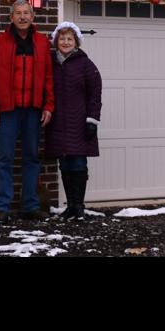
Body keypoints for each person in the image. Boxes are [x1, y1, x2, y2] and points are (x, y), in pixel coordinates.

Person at [0, 0, 54, 222]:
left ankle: (30, 206)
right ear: (11, 17)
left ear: (32, 17)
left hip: (33, 110)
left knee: (32, 158)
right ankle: (2, 208)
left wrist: (48, 105)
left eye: (26, 13)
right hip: (8, 110)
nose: (22, 17)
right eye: (18, 13)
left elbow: (49, 77)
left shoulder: (42, 42)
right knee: (5, 158)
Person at [44, 21, 103, 219]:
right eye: (62, 38)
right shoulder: (50, 63)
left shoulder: (85, 64)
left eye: (70, 39)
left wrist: (92, 120)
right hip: (57, 122)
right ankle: (70, 205)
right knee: (65, 163)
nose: (66, 42)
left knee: (78, 163)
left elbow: (95, 94)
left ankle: (79, 206)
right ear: (56, 41)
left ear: (76, 42)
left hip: (79, 122)